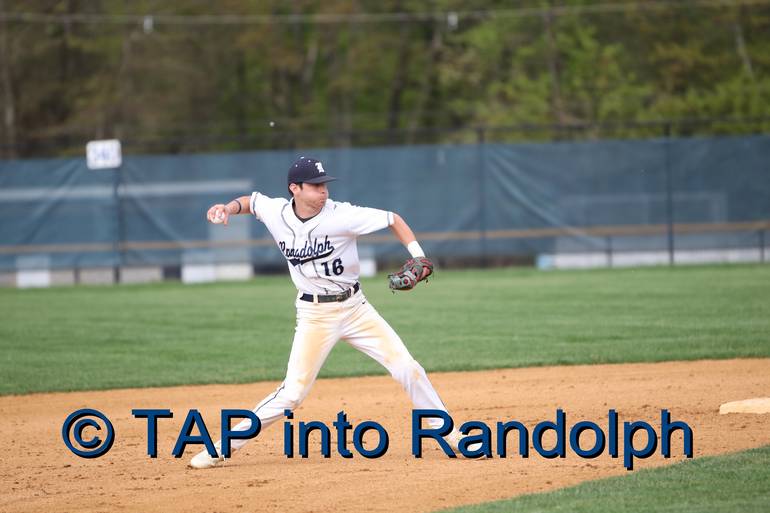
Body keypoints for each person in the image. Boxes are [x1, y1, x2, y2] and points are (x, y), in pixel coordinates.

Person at [190, 156, 470, 469]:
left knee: (408, 367)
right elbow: (251, 202)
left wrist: (418, 256)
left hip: (356, 309)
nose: (323, 191)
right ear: (294, 188)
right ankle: (220, 447)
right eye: (315, 185)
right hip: (314, 315)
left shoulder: (343, 215)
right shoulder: (277, 211)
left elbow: (393, 219)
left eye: (324, 185)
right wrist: (227, 208)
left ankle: (451, 435)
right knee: (292, 394)